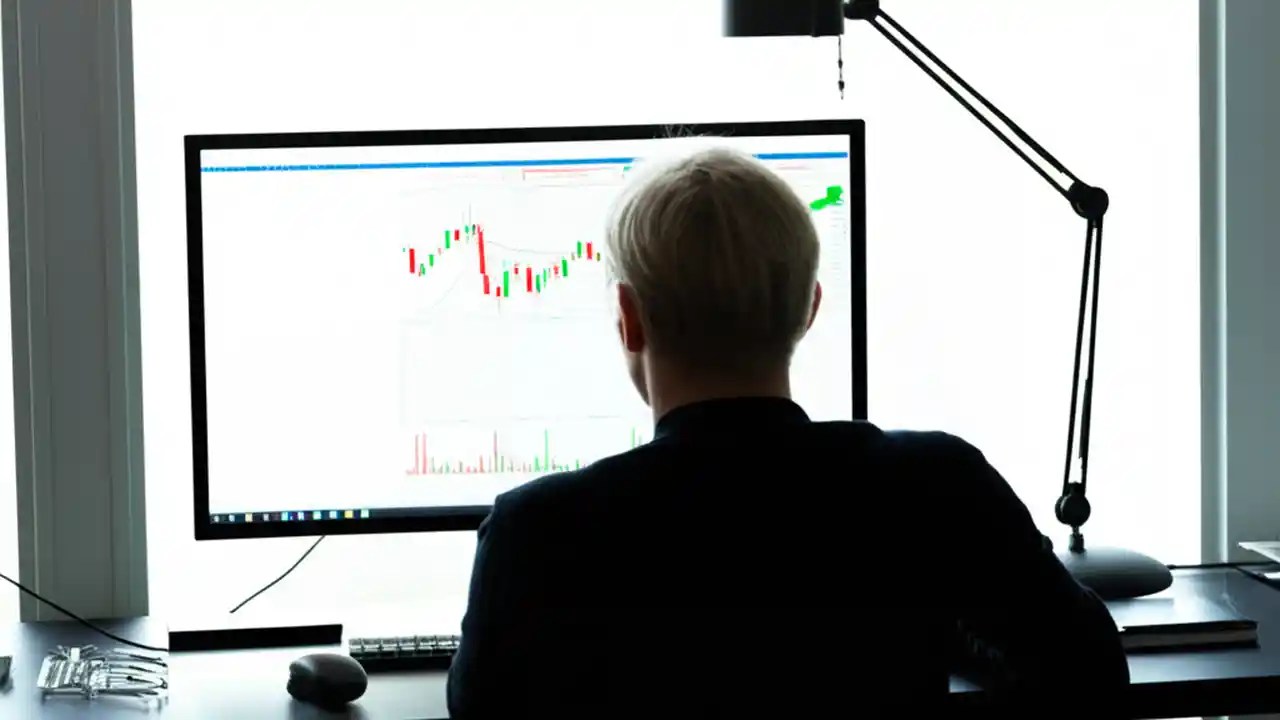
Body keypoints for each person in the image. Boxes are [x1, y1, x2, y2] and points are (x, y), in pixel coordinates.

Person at [446, 146, 1129, 718]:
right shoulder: (935, 483)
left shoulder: (536, 533)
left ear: (627, 318)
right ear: (810, 308)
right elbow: (1090, 673)